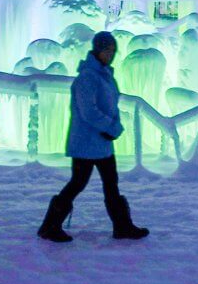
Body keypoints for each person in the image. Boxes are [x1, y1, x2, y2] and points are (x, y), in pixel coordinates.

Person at [37, 31, 149, 242]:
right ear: (97, 50)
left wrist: (112, 127)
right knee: (78, 183)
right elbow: (88, 111)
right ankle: (50, 226)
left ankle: (122, 226)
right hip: (87, 143)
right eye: (107, 50)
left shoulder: (104, 75)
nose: (110, 54)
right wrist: (111, 127)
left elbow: (108, 106)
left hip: (102, 143)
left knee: (110, 183)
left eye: (113, 51)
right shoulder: (88, 77)